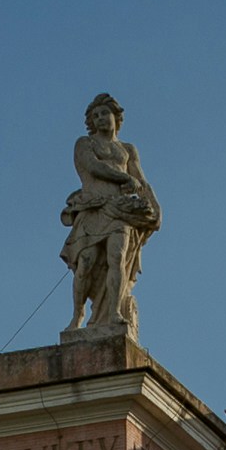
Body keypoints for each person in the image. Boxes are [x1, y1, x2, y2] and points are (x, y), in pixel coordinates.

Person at [60, 95, 161, 339]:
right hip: (93, 208)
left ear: (116, 116)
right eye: (95, 116)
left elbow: (141, 180)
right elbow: (93, 167)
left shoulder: (127, 150)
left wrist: (155, 206)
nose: (100, 119)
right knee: (86, 262)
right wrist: (125, 179)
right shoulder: (84, 144)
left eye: (104, 113)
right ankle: (77, 316)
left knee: (117, 257)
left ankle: (114, 312)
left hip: (121, 210)